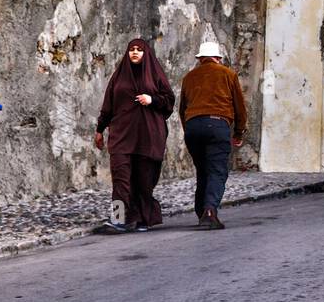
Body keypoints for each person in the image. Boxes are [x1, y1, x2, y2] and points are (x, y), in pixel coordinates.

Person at [94, 38, 175, 232]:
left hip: (148, 136)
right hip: (122, 136)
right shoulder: (119, 76)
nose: (135, 52)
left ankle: (142, 218)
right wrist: (99, 130)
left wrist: (152, 99)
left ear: (146, 53)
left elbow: (169, 101)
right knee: (120, 180)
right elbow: (108, 106)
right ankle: (118, 218)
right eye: (132, 50)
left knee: (143, 181)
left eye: (139, 49)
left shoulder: (155, 74)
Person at [179, 41, 248, 230]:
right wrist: (239, 132)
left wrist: (190, 130)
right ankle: (209, 212)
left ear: (200, 59)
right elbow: (239, 107)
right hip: (217, 124)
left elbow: (182, 109)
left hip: (193, 127)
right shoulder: (228, 74)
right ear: (218, 58)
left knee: (203, 170)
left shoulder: (189, 77)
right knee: (217, 170)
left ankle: (201, 212)